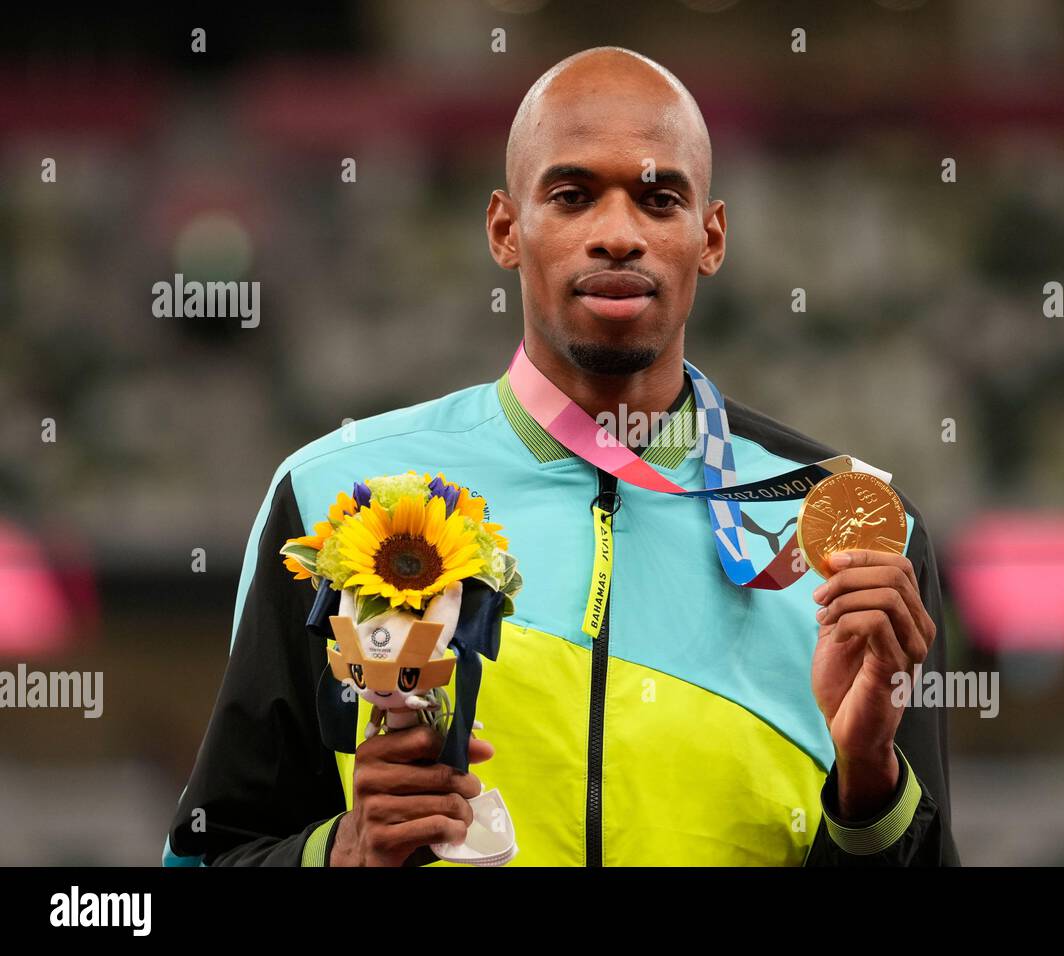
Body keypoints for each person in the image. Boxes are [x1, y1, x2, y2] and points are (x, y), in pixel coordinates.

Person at [165, 46, 959, 867]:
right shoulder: (333, 494)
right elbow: (207, 855)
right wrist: (343, 852)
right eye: (574, 196)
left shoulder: (857, 529)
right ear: (506, 229)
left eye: (659, 199)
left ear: (710, 236)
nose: (618, 236)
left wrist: (868, 784)